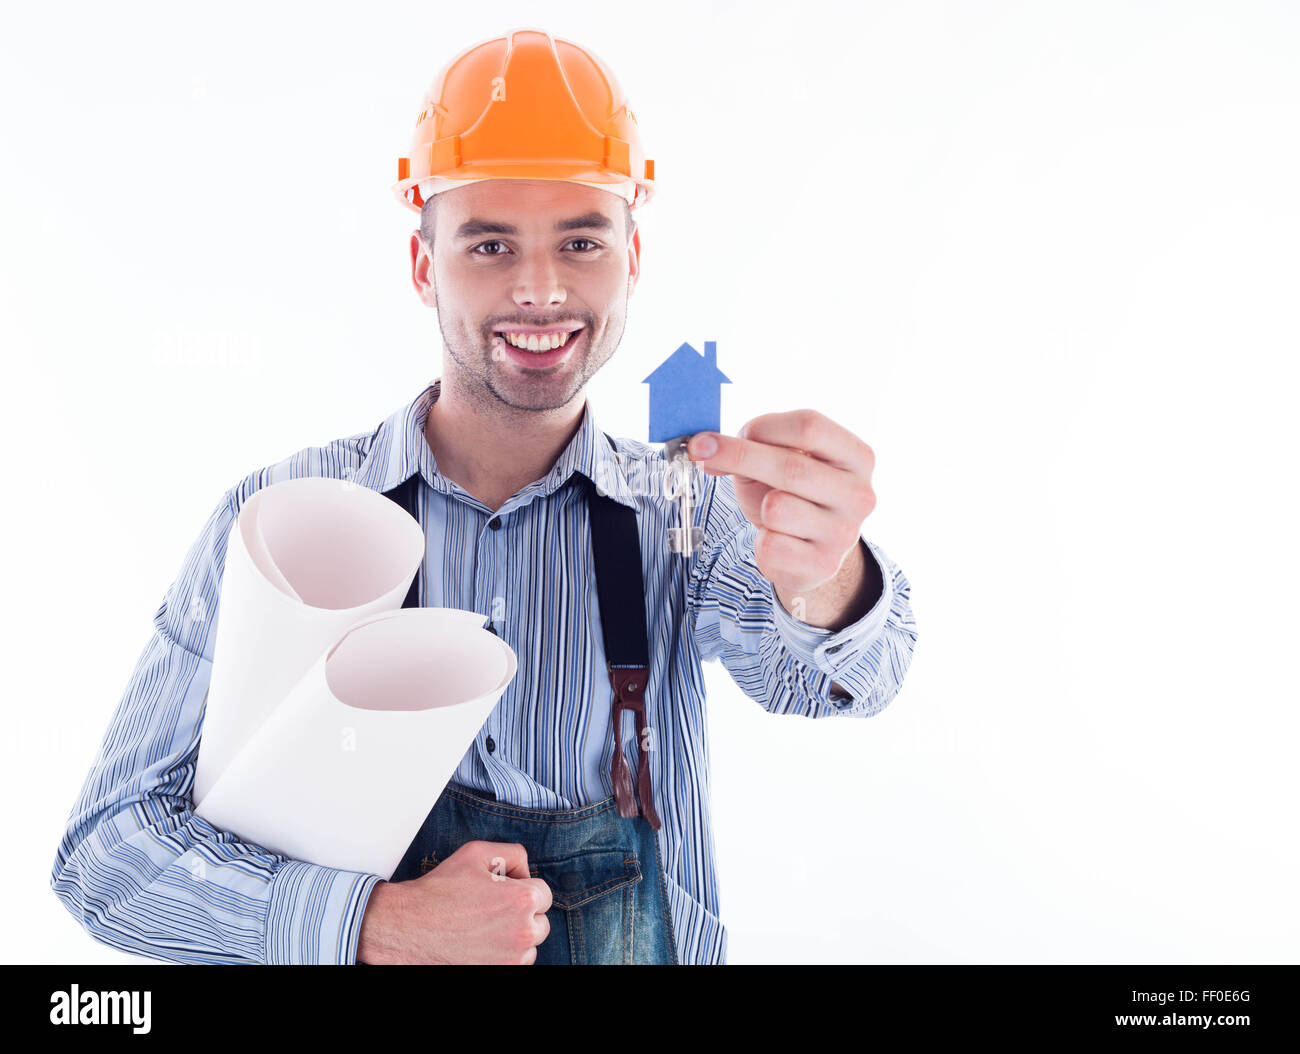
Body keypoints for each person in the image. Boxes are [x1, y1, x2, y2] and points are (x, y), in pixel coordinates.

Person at [50, 27, 917, 966]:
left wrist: (826, 576)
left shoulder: (686, 512)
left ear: (633, 259)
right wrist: (371, 925)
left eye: (580, 241)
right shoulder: (286, 522)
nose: (539, 289)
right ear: (425, 267)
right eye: (490, 244)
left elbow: (838, 686)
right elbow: (108, 861)